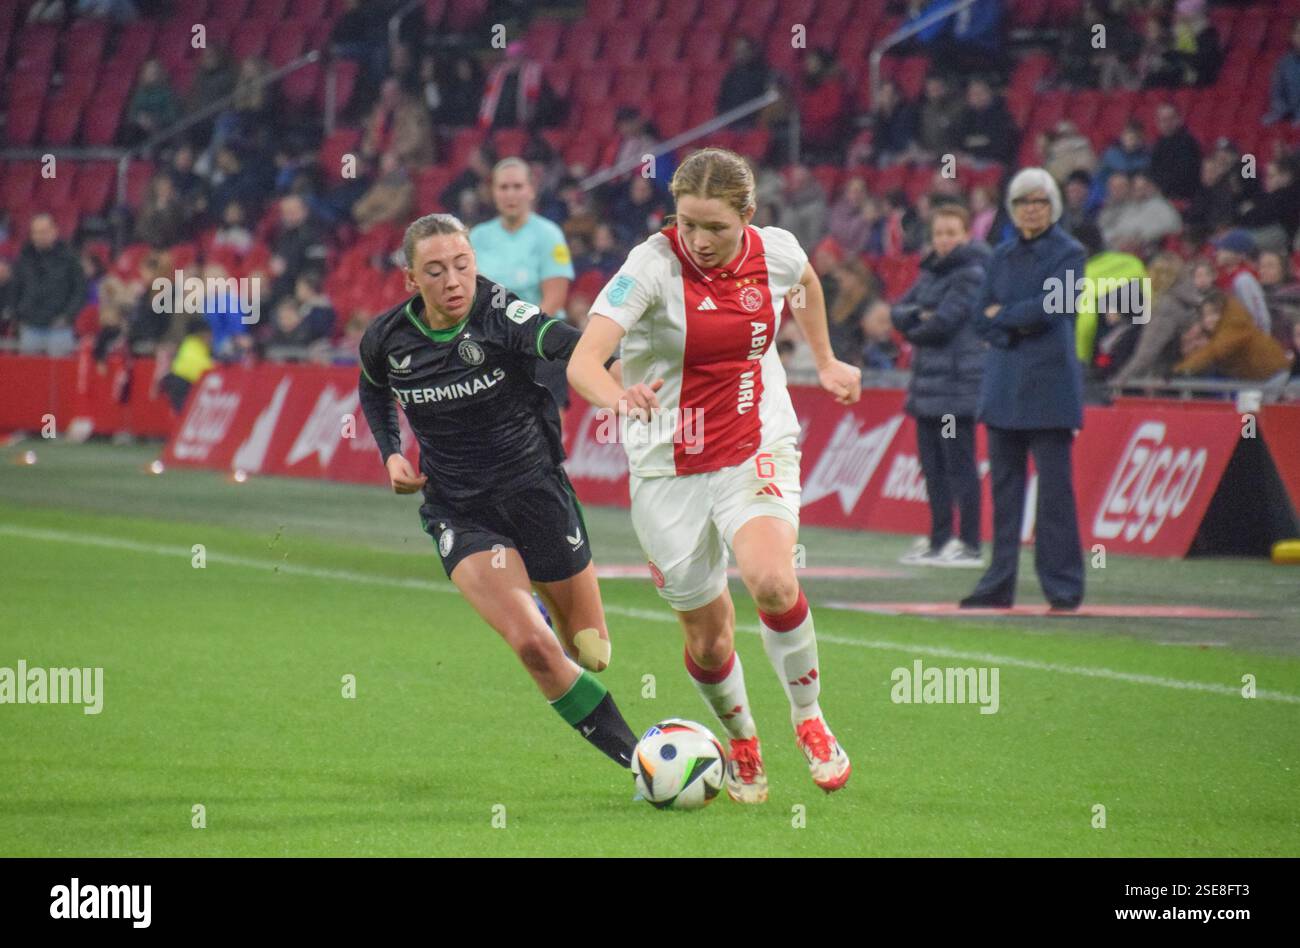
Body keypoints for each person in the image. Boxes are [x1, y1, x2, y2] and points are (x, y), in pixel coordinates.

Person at [566, 148, 862, 803]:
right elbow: (585, 361)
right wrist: (617, 398)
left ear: (747, 215)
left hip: (754, 443)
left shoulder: (775, 251)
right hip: (666, 468)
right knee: (707, 638)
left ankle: (809, 719)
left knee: (772, 580)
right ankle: (742, 739)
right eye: (687, 223)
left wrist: (826, 359)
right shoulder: (649, 266)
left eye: (715, 227)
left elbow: (806, 283)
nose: (699, 239)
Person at [356, 213, 639, 773]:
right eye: (435, 271)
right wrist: (390, 451)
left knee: (591, 653)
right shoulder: (387, 338)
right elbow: (373, 388)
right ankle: (641, 761)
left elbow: (564, 343)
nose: (453, 281)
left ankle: (536, 603)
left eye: (462, 265)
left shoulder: (500, 314)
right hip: (460, 510)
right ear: (411, 279)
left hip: (537, 495)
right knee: (534, 647)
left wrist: (616, 374)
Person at [961, 168, 1086, 611]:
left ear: (1054, 206)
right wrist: (1014, 319)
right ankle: (999, 583)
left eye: (1040, 201)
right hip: (1003, 388)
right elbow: (978, 316)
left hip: (1050, 388)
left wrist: (1003, 316)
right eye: (1023, 202)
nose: (1031, 209)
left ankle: (1063, 587)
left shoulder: (1071, 252)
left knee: (1055, 496)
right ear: (1011, 209)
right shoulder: (1002, 252)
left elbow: (1055, 307)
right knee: (1005, 494)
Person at [891, 204, 989, 568]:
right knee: (932, 467)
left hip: (956, 389)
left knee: (960, 466)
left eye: (951, 233)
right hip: (928, 388)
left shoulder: (971, 273)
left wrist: (915, 324)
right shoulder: (930, 271)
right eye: (939, 234)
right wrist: (919, 317)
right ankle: (940, 539)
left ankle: (970, 544)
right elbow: (898, 311)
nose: (944, 240)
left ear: (966, 235)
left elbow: (944, 323)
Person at [470, 158, 574, 411]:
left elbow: (555, 298)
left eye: (517, 186)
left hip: (542, 348)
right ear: (493, 192)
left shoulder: (549, 235)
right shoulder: (477, 237)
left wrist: (520, 340)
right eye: (503, 187)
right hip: (489, 351)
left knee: (546, 431)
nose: (510, 194)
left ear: (531, 190)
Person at [12, 213, 86, 356]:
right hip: (30, 326)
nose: (40, 236)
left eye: (44, 231)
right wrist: (19, 314)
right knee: (29, 368)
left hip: (59, 327)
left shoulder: (70, 258)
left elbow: (80, 290)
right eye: (36, 232)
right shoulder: (23, 258)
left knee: (60, 369)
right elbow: (15, 288)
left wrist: (67, 316)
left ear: (54, 231)